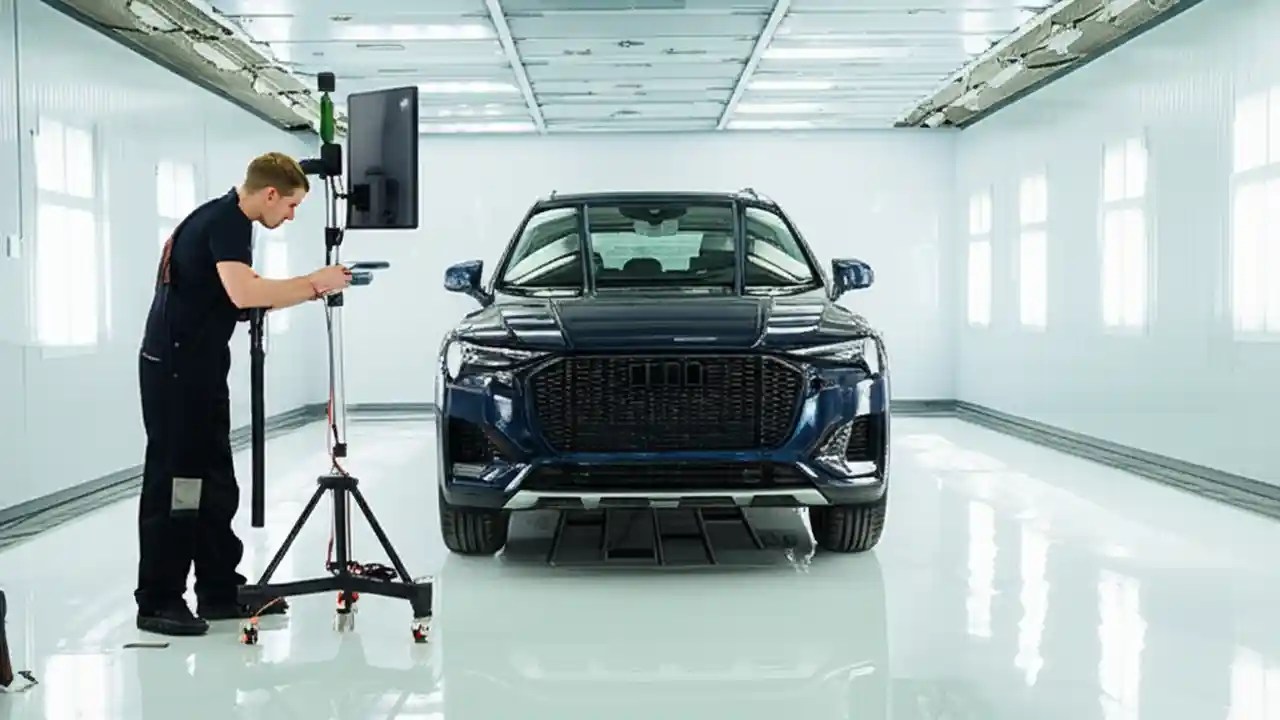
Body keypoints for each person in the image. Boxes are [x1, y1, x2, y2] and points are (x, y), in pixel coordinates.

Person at [135, 152, 352, 636]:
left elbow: (228, 295)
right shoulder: (227, 222)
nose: (291, 216)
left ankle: (218, 589)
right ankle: (158, 599)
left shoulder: (221, 219)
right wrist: (317, 283)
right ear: (270, 194)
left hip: (199, 370)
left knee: (215, 482)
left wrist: (297, 290)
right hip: (176, 374)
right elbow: (244, 293)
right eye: (292, 206)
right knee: (178, 486)